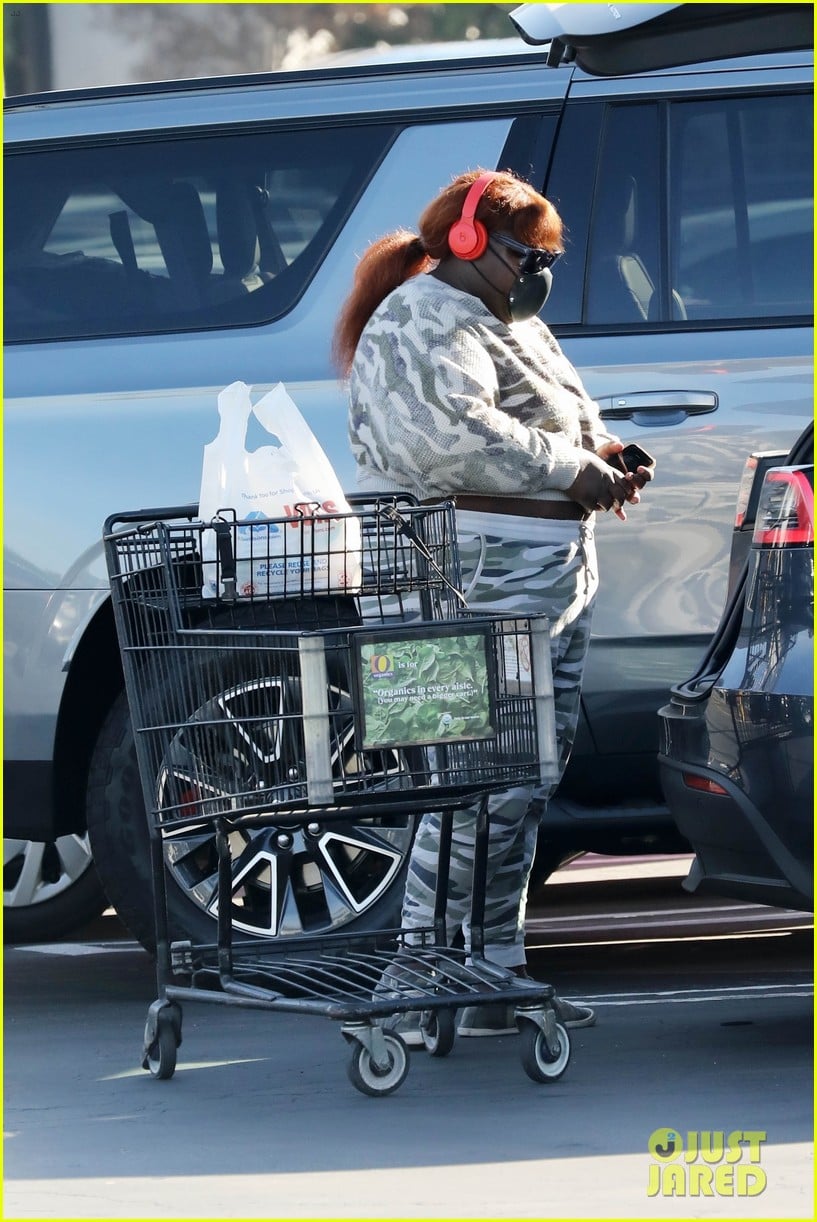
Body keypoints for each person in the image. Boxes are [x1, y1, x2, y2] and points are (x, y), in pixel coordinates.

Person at [333, 168, 653, 1043]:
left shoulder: (505, 317)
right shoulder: (415, 318)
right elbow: (448, 438)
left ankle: (492, 973)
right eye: (527, 254)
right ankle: (418, 976)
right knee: (462, 784)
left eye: (548, 257)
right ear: (471, 243)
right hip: (450, 584)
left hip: (537, 578)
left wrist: (607, 449)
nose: (538, 271)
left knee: (517, 784)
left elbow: (556, 419)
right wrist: (569, 469)